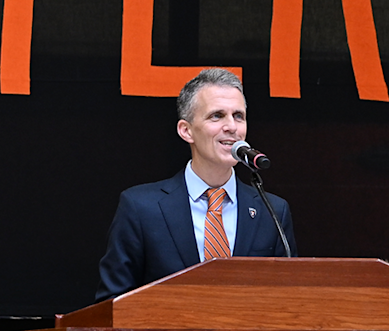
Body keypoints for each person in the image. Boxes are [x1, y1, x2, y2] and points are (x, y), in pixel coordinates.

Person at [95, 68, 297, 301]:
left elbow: (289, 300)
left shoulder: (272, 210)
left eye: (238, 116)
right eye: (217, 116)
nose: (231, 126)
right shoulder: (141, 208)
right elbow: (112, 304)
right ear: (186, 130)